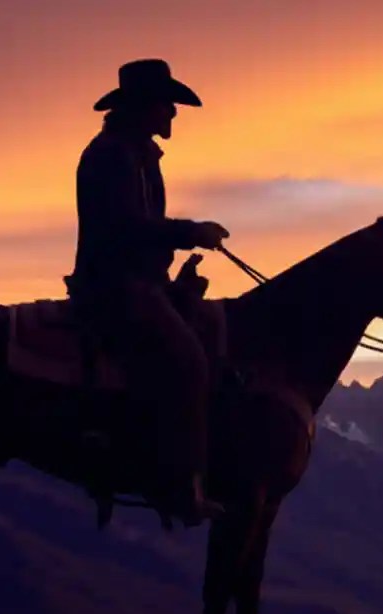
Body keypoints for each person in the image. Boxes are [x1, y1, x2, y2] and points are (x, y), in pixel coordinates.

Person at [68, 59, 227, 526]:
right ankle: (179, 487)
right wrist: (189, 233)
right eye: (166, 106)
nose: (172, 115)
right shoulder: (113, 156)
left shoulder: (132, 155)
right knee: (189, 361)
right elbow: (125, 230)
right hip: (115, 287)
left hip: (137, 282)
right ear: (144, 107)